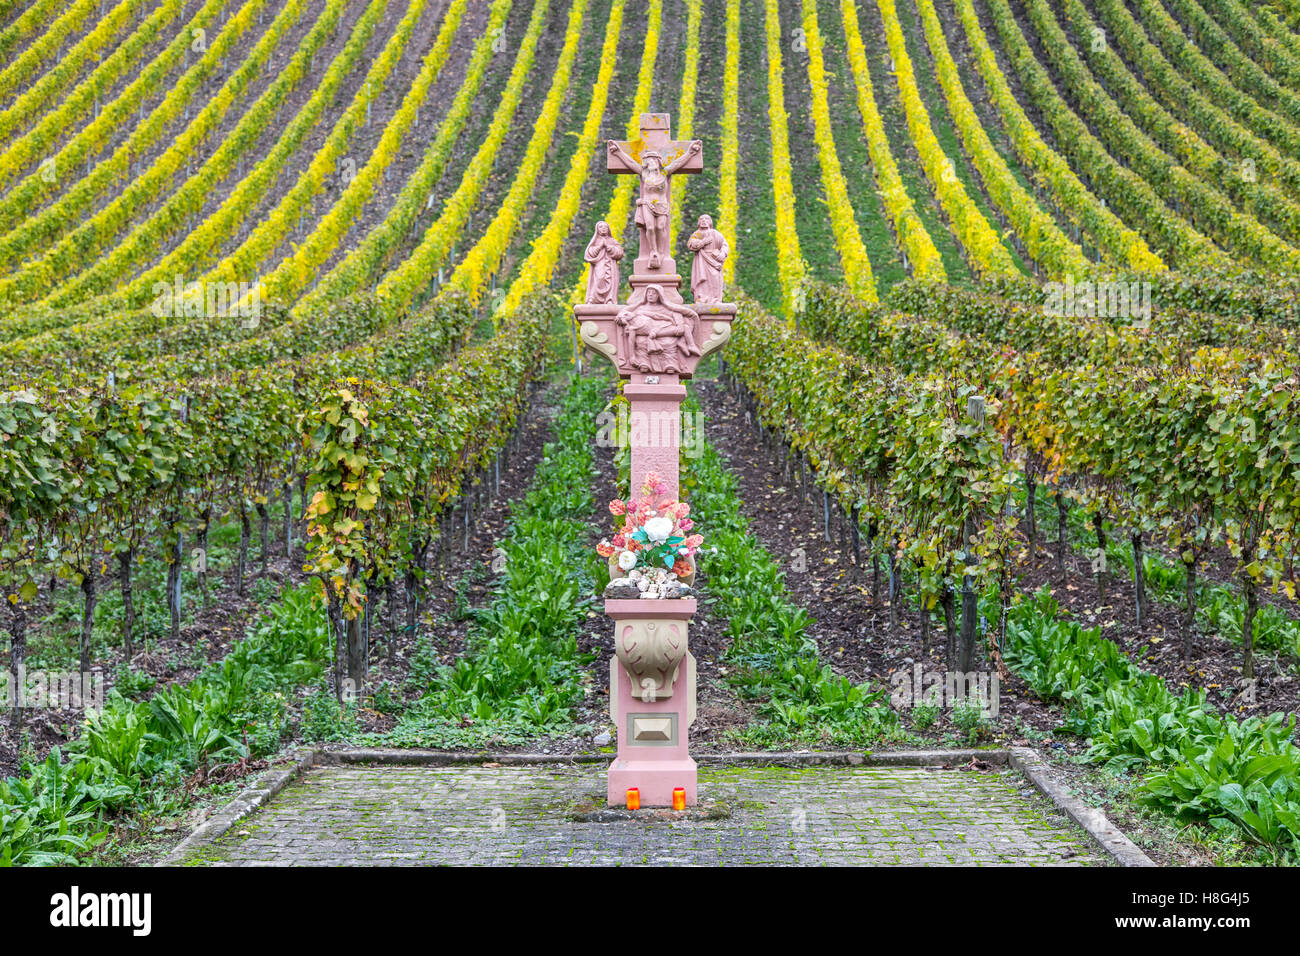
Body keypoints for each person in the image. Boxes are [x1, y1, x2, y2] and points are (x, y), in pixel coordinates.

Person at [607, 139, 702, 270]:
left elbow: (678, 163)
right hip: (647, 204)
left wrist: (691, 152)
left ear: (658, 161)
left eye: (652, 160)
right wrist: (618, 152)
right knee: (650, 228)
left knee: (661, 227)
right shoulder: (645, 174)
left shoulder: (665, 173)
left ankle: (661, 252)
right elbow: (630, 163)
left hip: (662, 205)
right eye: (648, 161)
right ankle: (653, 251)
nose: (649, 163)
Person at [686, 214, 729, 303]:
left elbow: (725, 245)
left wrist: (723, 253)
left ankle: (715, 299)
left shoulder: (716, 233)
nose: (704, 221)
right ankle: (701, 298)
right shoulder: (696, 234)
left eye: (707, 219)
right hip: (701, 260)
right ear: (698, 222)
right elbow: (691, 244)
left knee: (715, 279)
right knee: (701, 279)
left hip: (714, 261)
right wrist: (703, 242)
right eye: (701, 219)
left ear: (710, 222)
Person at [583, 221, 623, 304]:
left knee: (611, 281)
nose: (603, 228)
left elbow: (619, 252)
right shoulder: (595, 241)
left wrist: (610, 248)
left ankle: (609, 299)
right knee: (599, 278)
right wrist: (599, 246)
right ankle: (593, 299)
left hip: (611, 266)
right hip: (599, 265)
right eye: (601, 227)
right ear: (597, 229)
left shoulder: (612, 240)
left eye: (605, 227)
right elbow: (589, 253)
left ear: (608, 229)